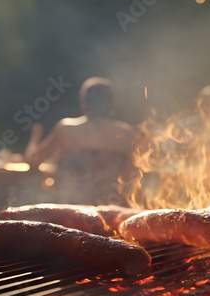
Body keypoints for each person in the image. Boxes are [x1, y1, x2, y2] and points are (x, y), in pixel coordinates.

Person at [25, 77, 136, 205]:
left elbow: (33, 161)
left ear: (84, 102)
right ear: (111, 103)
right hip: (112, 207)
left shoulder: (67, 129)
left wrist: (35, 135)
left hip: (70, 207)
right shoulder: (126, 133)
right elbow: (133, 175)